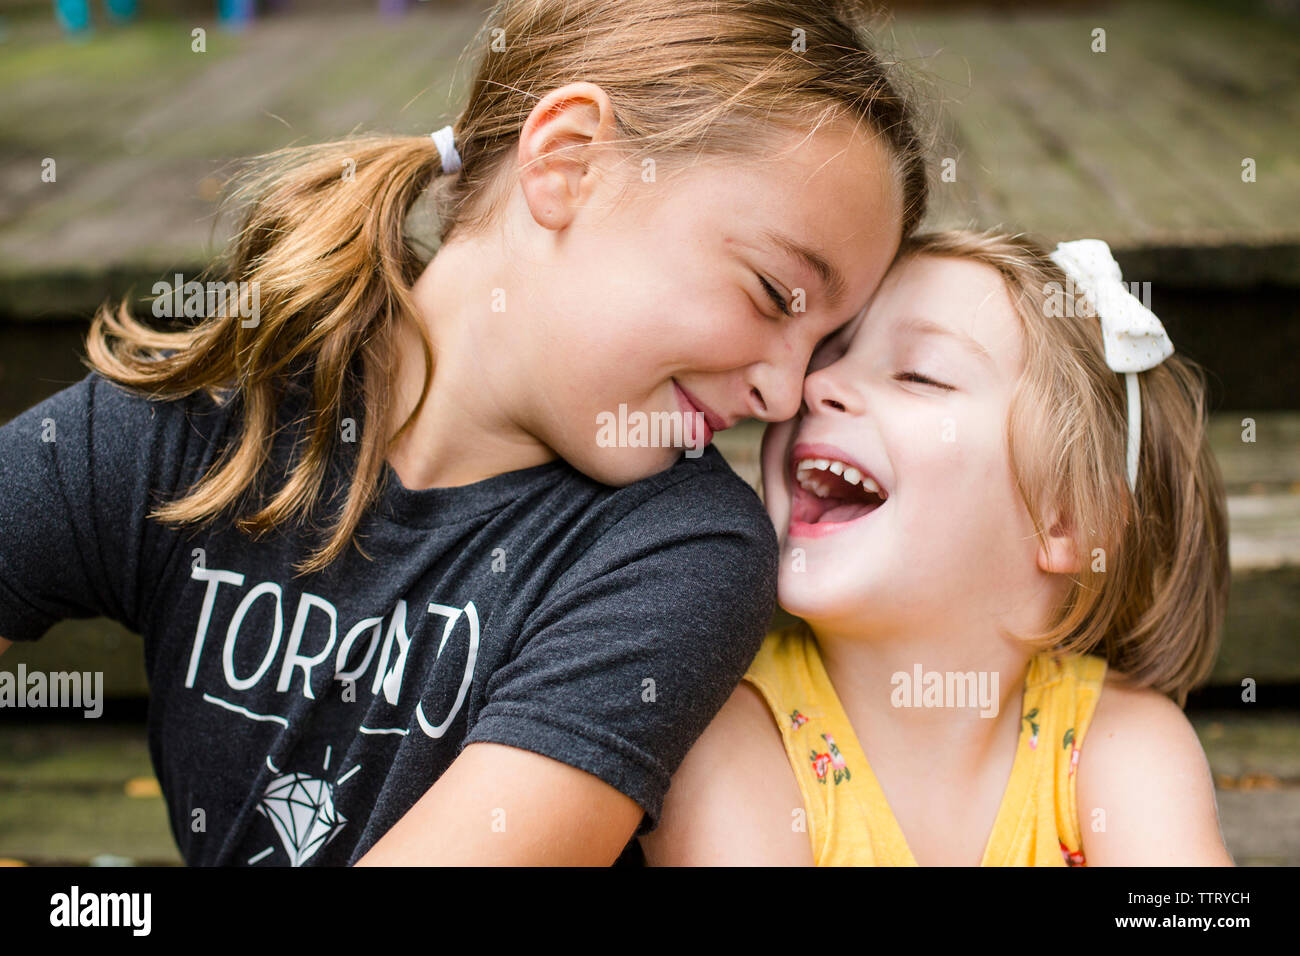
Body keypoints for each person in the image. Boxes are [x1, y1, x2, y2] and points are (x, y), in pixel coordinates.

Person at [0, 0, 926, 865]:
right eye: (773, 294)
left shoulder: (683, 552)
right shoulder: (198, 429)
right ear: (568, 162)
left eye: (824, 346)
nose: (783, 391)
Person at [644, 230, 1234, 866]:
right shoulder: (725, 733)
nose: (815, 386)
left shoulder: (1120, 742)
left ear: (1065, 522)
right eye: (824, 355)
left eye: (918, 374)